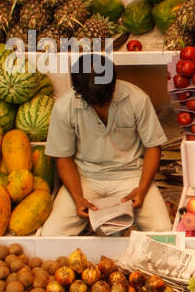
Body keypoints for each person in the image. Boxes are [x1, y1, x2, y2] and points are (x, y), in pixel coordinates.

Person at [41, 54, 171, 236]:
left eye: (107, 98)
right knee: (51, 234)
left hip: (131, 176)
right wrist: (78, 198)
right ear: (78, 92)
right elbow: (63, 158)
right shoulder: (64, 107)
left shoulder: (137, 99)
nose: (102, 106)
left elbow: (153, 147)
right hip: (85, 178)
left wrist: (141, 189)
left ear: (114, 83)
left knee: (163, 230)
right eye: (94, 102)